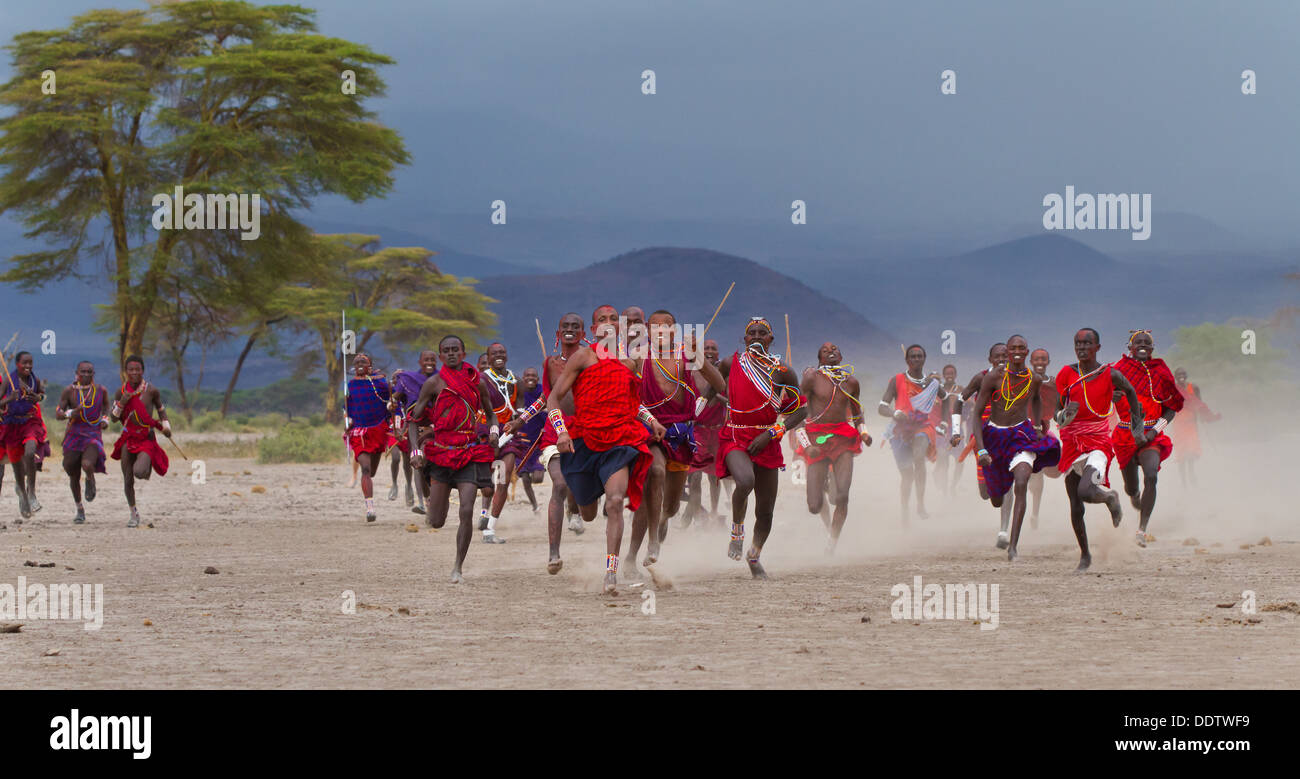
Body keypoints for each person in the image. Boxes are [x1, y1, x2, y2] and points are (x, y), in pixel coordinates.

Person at [545, 305, 666, 595]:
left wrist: (652, 420)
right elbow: (553, 398)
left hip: (620, 441)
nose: (609, 324)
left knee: (614, 502)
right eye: (603, 320)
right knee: (587, 513)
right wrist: (561, 431)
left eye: (614, 319)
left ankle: (610, 572)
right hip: (585, 441)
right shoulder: (582, 357)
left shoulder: (629, 364)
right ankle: (583, 498)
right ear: (594, 328)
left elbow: (631, 404)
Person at [624, 310, 726, 579]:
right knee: (653, 475)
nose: (660, 330)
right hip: (650, 431)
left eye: (666, 325)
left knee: (669, 506)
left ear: (674, 329)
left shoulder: (686, 356)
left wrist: (699, 357)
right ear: (647, 329)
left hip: (681, 435)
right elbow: (621, 383)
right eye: (655, 326)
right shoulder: (639, 356)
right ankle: (637, 553)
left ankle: (665, 519)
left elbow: (719, 384)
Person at [716, 317, 808, 579]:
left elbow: (801, 409)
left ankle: (754, 555)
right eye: (751, 333)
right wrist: (703, 400)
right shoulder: (730, 363)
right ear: (744, 340)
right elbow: (714, 384)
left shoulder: (783, 371)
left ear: (770, 340)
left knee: (765, 511)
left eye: (762, 333)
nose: (756, 336)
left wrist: (773, 432)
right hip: (735, 436)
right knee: (744, 482)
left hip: (767, 440)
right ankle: (736, 531)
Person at [407, 335, 500, 583]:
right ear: (440, 357)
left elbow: (492, 415)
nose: (450, 354)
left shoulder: (478, 382)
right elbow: (414, 421)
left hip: (469, 452)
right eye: (446, 351)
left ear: (463, 353)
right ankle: (437, 506)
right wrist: (415, 450)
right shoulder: (433, 384)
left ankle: (458, 566)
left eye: (454, 350)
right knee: (436, 521)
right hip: (440, 453)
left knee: (467, 509)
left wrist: (493, 430)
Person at [504, 312, 587, 574]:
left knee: (578, 485)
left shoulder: (592, 360)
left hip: (585, 430)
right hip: (556, 428)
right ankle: (553, 553)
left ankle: (576, 510)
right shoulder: (550, 363)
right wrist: (521, 420)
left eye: (576, 327)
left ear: (584, 334)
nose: (570, 330)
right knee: (560, 484)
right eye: (566, 327)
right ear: (558, 334)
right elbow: (546, 398)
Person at [1054, 328, 1143, 571]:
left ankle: (1109, 497)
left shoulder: (1109, 374)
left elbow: (1131, 393)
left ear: (1098, 347)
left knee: (1086, 489)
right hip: (1072, 442)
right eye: (1078, 343)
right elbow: (1056, 411)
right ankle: (1085, 555)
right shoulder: (1065, 374)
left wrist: (1138, 427)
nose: (1082, 347)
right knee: (1075, 504)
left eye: (1087, 343)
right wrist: (1064, 415)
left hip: (1098, 442)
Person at [970, 335, 1062, 559]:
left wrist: (1038, 425)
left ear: (1027, 351)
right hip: (994, 437)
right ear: (1008, 352)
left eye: (1022, 348)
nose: (1018, 351)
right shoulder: (993, 377)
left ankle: (1013, 546)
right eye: (1013, 348)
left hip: (1021, 435)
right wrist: (981, 449)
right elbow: (976, 414)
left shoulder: (1034, 378)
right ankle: (998, 495)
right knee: (996, 498)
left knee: (1021, 482)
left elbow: (1037, 399)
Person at [1110, 330, 1184, 547]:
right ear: (1130, 348)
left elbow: (1171, 408)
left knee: (1151, 475)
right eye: (1138, 342)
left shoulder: (1161, 372)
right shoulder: (1118, 370)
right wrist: (1110, 396)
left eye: (1147, 343)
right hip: (1125, 435)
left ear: (1152, 348)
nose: (1142, 345)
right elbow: (1101, 395)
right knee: (1131, 487)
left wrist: (1153, 432)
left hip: (1152, 435)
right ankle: (1134, 497)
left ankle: (1141, 530)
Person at [795, 342, 872, 553]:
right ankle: (824, 493)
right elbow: (797, 414)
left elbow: (856, 412)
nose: (831, 351)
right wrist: (806, 444)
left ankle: (832, 542)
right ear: (819, 357)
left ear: (841, 356)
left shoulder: (851, 382)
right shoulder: (811, 378)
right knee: (814, 506)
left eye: (835, 349)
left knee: (842, 496)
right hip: (816, 440)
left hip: (842, 438)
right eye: (825, 350)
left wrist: (863, 431)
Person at [878, 345, 948, 523]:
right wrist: (893, 413)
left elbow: (946, 398)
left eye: (919, 356)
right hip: (900, 430)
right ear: (907, 360)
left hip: (923, 427)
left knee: (918, 456)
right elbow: (881, 406)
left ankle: (920, 503)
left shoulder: (932, 384)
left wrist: (945, 422)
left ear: (924, 359)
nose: (916, 359)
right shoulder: (897, 380)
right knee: (907, 475)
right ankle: (905, 509)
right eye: (913, 356)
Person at [955, 343, 1011, 536]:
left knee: (1009, 478)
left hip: (1007, 436)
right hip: (982, 439)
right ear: (990, 359)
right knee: (987, 494)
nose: (1002, 359)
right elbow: (959, 401)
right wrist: (955, 430)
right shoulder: (981, 378)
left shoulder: (1018, 377)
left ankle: (1004, 530)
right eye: (998, 356)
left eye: (1006, 355)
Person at [110, 355, 172, 528]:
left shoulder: (151, 390)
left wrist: (166, 427)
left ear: (143, 371)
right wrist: (122, 402)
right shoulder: (120, 392)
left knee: (139, 472)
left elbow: (161, 410)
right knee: (128, 479)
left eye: (138, 369)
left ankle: (147, 465)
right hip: (127, 438)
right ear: (126, 372)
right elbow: (114, 418)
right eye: (131, 369)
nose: (134, 372)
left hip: (145, 437)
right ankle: (133, 513)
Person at [55, 361, 110, 524]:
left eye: (89, 372)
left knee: (87, 464)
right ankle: (79, 509)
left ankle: (90, 478)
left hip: (92, 433)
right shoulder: (69, 391)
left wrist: (105, 420)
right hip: (73, 435)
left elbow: (106, 406)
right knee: (72, 471)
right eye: (83, 372)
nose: (86, 374)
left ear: (94, 374)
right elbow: (58, 414)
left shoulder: (101, 390)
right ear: (77, 373)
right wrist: (71, 412)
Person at [343, 353, 393, 522]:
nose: (359, 363)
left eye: (363, 361)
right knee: (365, 468)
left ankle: (366, 484)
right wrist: (347, 420)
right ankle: (370, 508)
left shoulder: (380, 383)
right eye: (356, 362)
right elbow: (347, 407)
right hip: (359, 432)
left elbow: (392, 401)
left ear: (370, 365)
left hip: (378, 430)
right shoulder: (350, 385)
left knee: (371, 472)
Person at [0, 351, 50, 520]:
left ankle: (32, 492)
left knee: (30, 452)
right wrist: (9, 399)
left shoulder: (34, 380)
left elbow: (42, 395)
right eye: (24, 363)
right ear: (17, 364)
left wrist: (37, 397)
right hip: (11, 426)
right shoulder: (8, 380)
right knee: (17, 469)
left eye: (30, 362)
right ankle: (22, 493)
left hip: (30, 423)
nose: (28, 366)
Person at [389, 350, 439, 514]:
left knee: (434, 467)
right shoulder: (409, 381)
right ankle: (423, 502)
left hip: (439, 430)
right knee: (418, 463)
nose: (429, 362)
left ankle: (433, 501)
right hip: (415, 430)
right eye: (426, 359)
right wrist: (391, 404)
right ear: (420, 362)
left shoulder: (443, 379)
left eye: (432, 359)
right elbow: (394, 399)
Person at [684, 339, 728, 527]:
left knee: (714, 476)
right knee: (694, 476)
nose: (710, 351)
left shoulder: (723, 376)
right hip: (697, 430)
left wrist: (714, 395)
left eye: (714, 348)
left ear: (718, 354)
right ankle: (695, 512)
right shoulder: (691, 373)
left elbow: (729, 401)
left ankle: (714, 512)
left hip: (718, 430)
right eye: (706, 348)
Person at [480, 342, 519, 542]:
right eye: (494, 353)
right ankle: (483, 512)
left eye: (502, 352)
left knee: (503, 479)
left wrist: (518, 419)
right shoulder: (481, 380)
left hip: (508, 437)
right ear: (488, 357)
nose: (498, 355)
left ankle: (490, 530)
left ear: (507, 355)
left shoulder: (514, 379)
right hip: (485, 437)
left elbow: (519, 408)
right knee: (486, 486)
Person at [1026, 347, 1059, 528]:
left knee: (1040, 475)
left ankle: (1035, 514)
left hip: (1044, 432)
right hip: (1023, 431)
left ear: (1048, 362)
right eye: (1036, 359)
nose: (1039, 362)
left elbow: (1059, 408)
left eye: (1043, 359)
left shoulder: (1054, 383)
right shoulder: (1023, 381)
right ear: (1031, 362)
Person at [1169, 367, 1219, 486]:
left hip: (1191, 423)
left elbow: (1199, 404)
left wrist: (1203, 416)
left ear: (1186, 376)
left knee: (1191, 451)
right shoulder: (1172, 389)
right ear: (1175, 377)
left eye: (1183, 374)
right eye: (1179, 374)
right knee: (1181, 454)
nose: (1181, 376)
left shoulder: (1194, 388)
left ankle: (1191, 473)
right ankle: (1183, 481)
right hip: (1178, 424)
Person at [934, 364, 963, 496]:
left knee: (959, 461)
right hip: (943, 427)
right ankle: (944, 488)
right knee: (943, 458)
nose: (949, 376)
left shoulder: (961, 390)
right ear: (944, 375)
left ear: (956, 375)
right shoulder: (938, 390)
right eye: (947, 373)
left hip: (956, 429)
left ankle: (953, 486)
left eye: (952, 373)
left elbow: (973, 405)